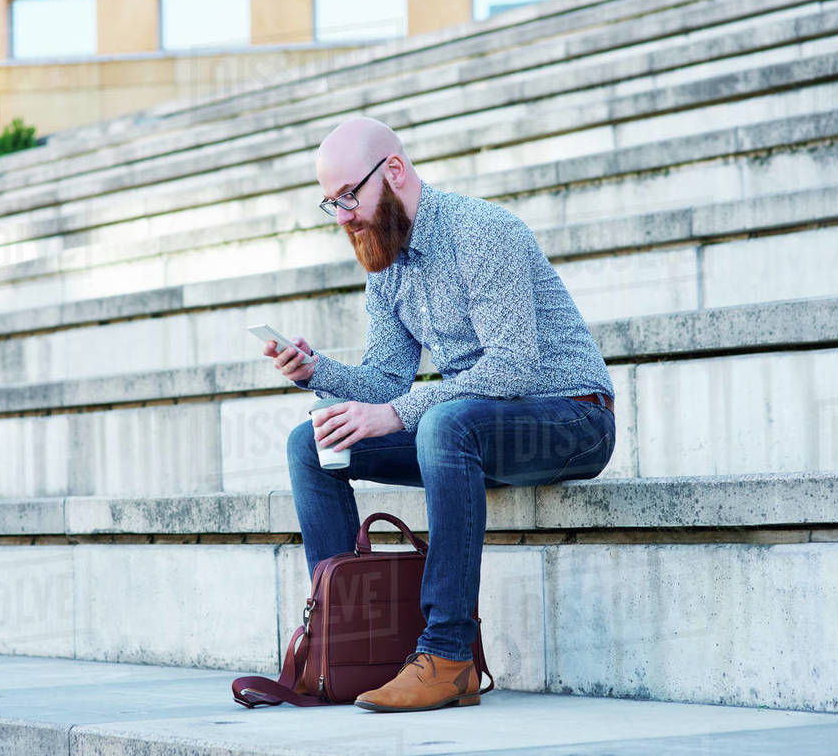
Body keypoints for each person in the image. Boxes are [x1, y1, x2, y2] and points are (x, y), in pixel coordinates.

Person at [261, 116, 616, 713]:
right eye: (331, 205)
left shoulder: (483, 232)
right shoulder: (388, 261)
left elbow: (513, 369)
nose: (344, 217)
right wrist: (317, 371)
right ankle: (345, 649)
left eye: (349, 196)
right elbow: (385, 379)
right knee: (313, 442)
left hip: (570, 420)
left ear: (394, 171)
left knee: (444, 422)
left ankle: (448, 655)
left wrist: (396, 414)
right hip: (475, 432)